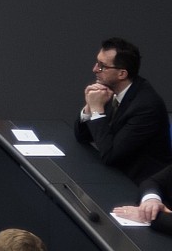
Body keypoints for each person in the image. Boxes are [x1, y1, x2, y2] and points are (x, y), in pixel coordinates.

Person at [73, 37, 170, 185]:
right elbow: (82, 136)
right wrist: (89, 107)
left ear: (122, 74)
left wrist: (97, 110)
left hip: (139, 185)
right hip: (116, 174)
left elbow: (110, 155)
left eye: (102, 66)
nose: (95, 69)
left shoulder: (146, 107)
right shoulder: (112, 91)